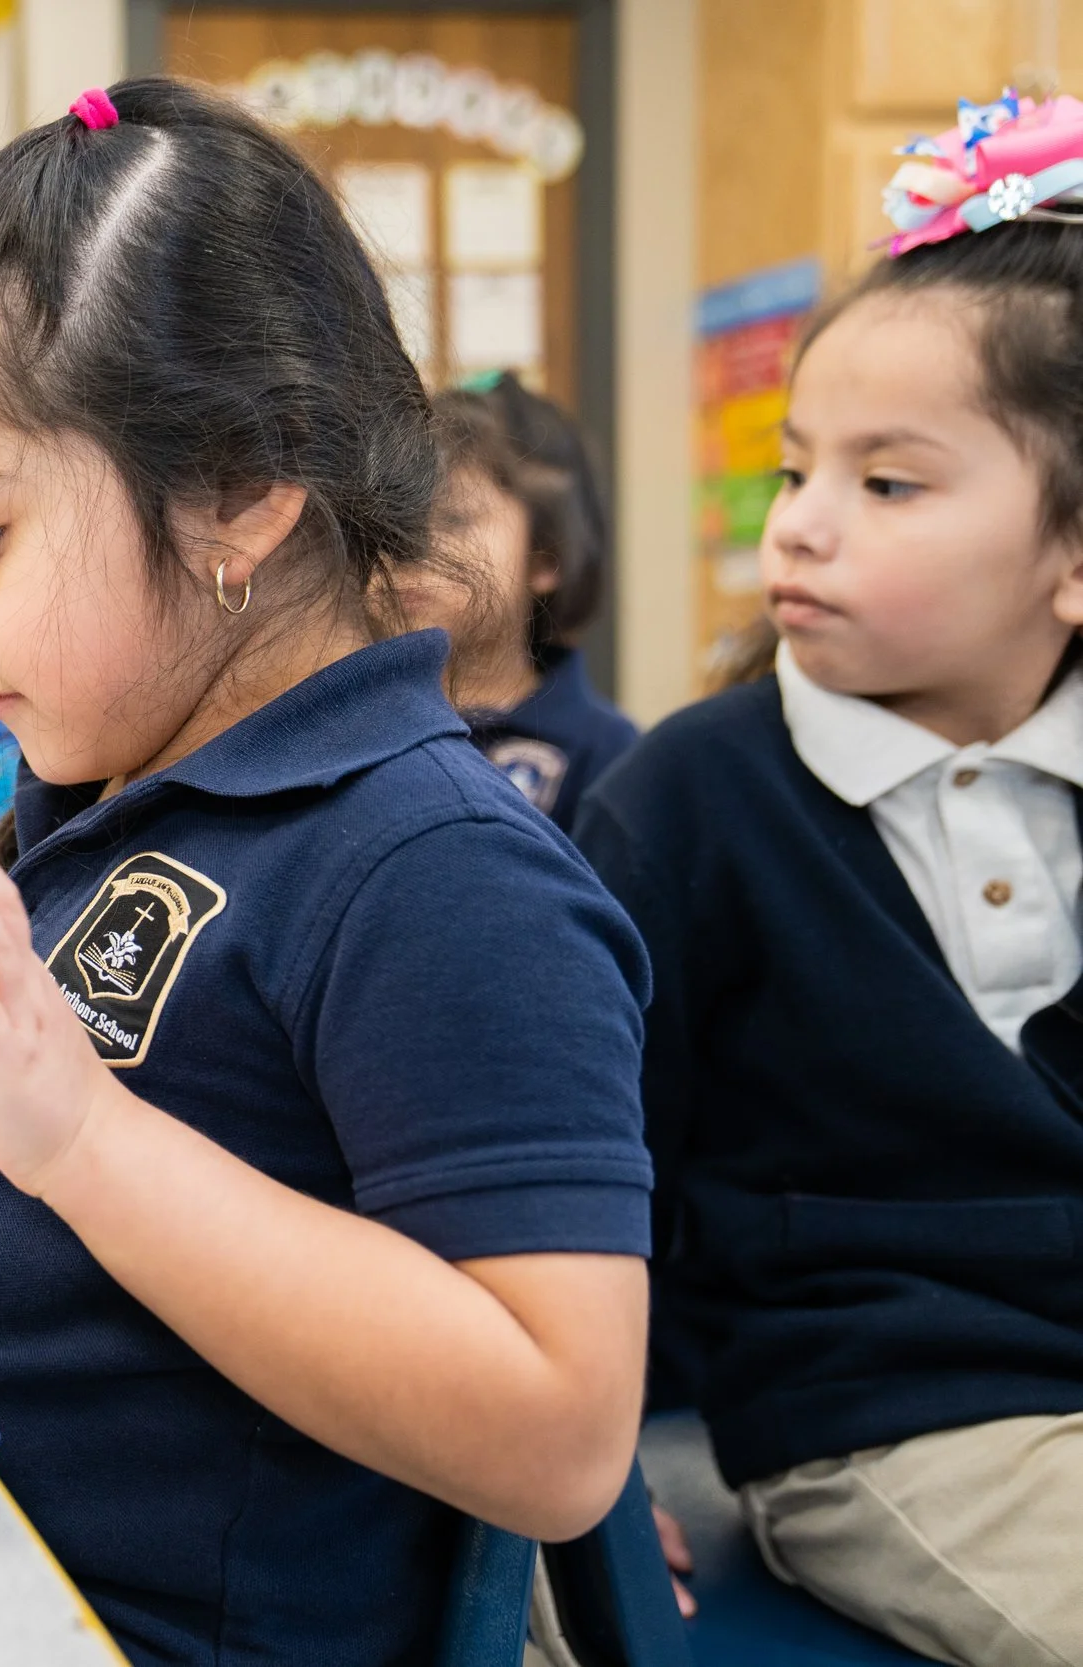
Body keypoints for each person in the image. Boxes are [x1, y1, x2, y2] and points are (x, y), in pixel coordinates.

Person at [0, 81, 653, 1666]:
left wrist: (83, 1142)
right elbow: (192, 1119)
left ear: (238, 486)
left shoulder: (440, 873)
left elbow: (559, 1430)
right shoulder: (125, 791)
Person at [576, 90, 1083, 1667]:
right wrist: (578, 1474)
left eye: (888, 484)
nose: (797, 526)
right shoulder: (688, 799)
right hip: (893, 1422)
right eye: (799, 471)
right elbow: (587, 1171)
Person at [396, 376, 636, 830]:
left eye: (454, 520)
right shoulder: (352, 725)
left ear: (544, 557)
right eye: (398, 520)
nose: (411, 548)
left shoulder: (607, 753)